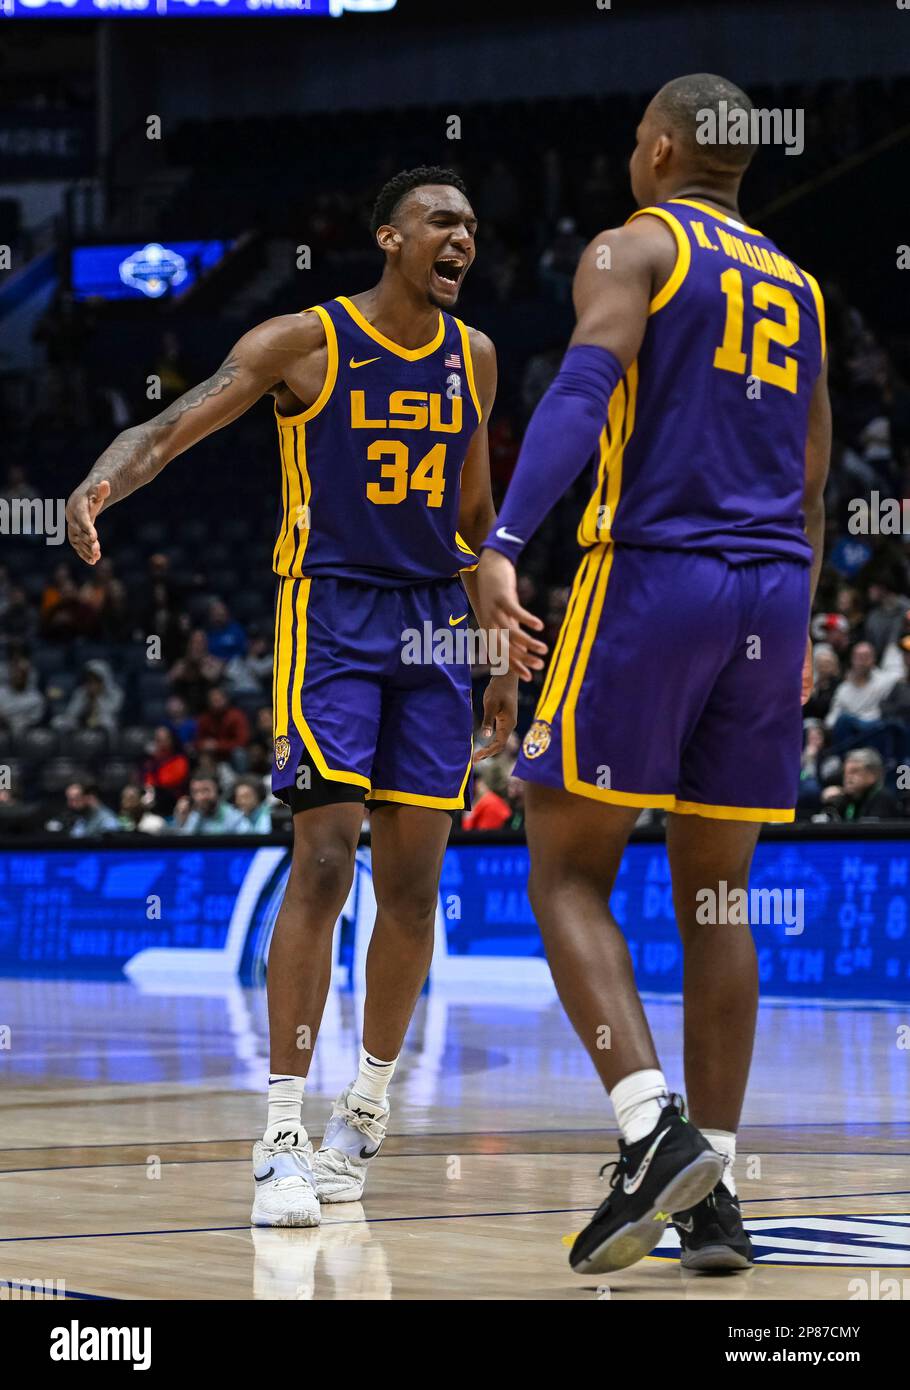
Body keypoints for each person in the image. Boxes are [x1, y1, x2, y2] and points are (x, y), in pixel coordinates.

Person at [65, 165, 517, 1231]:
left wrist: (497, 642)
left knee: (412, 885)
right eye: (440, 222)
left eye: (471, 226)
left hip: (438, 627)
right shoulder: (300, 341)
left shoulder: (477, 358)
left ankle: (364, 1109)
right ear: (388, 237)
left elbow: (475, 514)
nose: (462, 238)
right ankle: (279, 1134)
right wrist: (101, 478)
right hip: (333, 617)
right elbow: (173, 427)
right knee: (324, 856)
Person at [476, 73, 830, 1276]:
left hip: (655, 574)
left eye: (636, 138)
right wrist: (795, 637)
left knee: (566, 864)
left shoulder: (634, 246)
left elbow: (582, 389)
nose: (631, 155)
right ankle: (711, 1194)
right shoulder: (802, 286)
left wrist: (507, 541)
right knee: (717, 896)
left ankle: (649, 1130)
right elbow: (813, 483)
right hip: (773, 592)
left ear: (665, 146)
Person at [819, 748, 901, 821]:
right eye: (845, 772)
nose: (848, 777)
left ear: (872, 774)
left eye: (854, 771)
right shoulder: (847, 798)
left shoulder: (883, 799)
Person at [173, 774, 246, 835]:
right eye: (195, 792)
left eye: (206, 790)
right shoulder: (194, 816)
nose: (200, 797)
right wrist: (182, 822)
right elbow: (184, 847)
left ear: (217, 790)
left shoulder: (233, 817)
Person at [0, 655, 45, 737]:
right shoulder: (1, 692)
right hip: (3, 729)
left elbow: (36, 718)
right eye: (15, 673)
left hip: (28, 732)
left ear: (27, 676)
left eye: (21, 673)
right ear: (10, 675)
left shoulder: (35, 696)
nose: (18, 676)